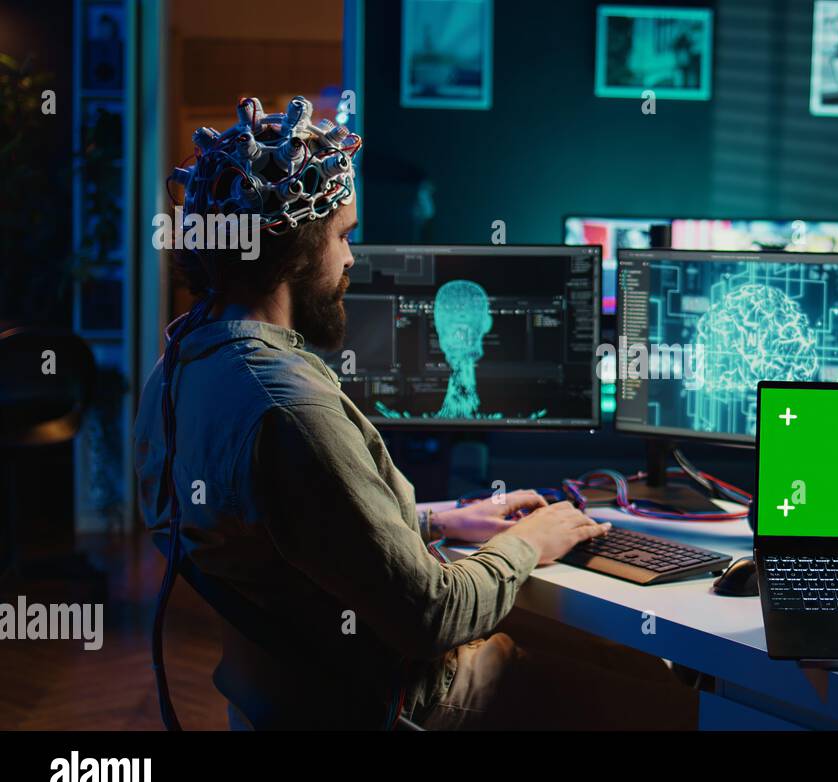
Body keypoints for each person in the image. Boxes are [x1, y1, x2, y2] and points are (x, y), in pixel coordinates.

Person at [133, 96, 695, 730]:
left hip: (283, 693)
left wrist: (446, 519)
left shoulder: (178, 367)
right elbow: (434, 614)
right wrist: (529, 542)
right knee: (672, 702)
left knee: (625, 661)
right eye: (343, 236)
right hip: (393, 699)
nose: (351, 259)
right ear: (292, 250)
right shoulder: (290, 410)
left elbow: (294, 528)